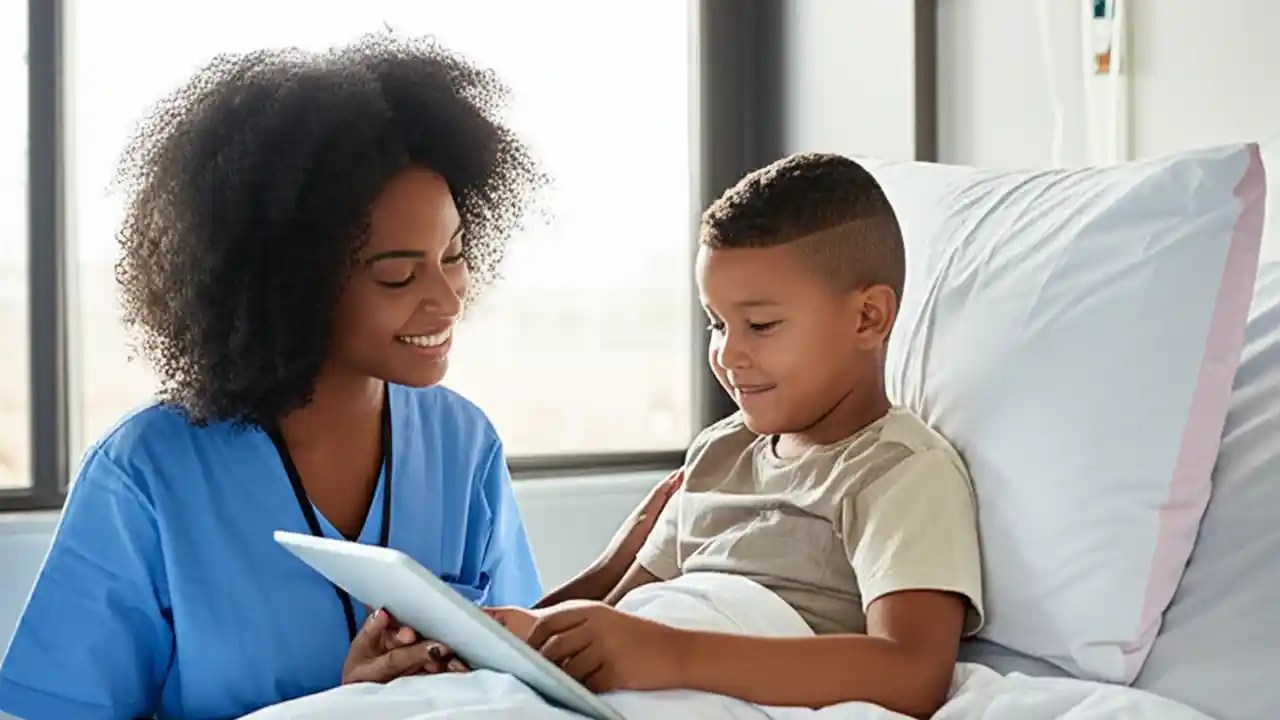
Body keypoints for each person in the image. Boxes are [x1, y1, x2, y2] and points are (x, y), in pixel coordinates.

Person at [0, 33, 672, 720]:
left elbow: (509, 684)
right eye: (398, 274)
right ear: (294, 283)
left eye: (455, 254)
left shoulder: (462, 445)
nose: (447, 298)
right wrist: (339, 707)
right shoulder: (148, 473)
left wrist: (610, 577)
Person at [490, 153, 985, 719]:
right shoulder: (718, 452)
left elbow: (911, 674)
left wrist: (671, 654)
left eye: (761, 325)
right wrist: (490, 636)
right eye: (716, 324)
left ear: (868, 319)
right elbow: (614, 617)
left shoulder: (899, 470)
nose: (727, 353)